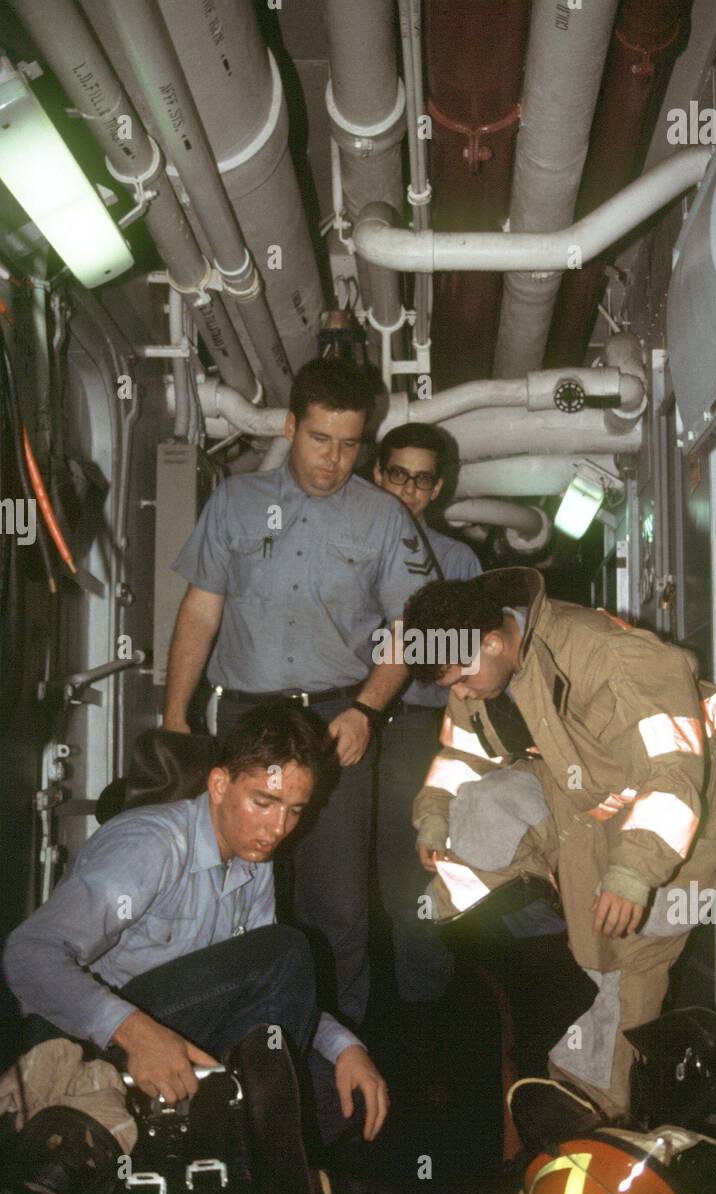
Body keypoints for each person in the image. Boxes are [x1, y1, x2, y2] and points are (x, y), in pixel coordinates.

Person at [163, 359, 436, 1027]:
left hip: (337, 718)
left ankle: (335, 1054)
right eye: (320, 440)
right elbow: (200, 610)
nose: (334, 460)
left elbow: (412, 631)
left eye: (350, 445)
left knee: (339, 908)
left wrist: (369, 710)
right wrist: (175, 716)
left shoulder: (384, 520)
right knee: (228, 895)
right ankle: (238, 1051)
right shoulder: (233, 502)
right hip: (245, 719)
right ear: (291, 426)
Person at [403, 567, 716, 1119]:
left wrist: (632, 875)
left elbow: (674, 778)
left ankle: (609, 1113)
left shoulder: (610, 656)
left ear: (493, 641)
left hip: (668, 830)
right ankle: (559, 986)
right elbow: (462, 756)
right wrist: (435, 818)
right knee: (583, 946)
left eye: (459, 679)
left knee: (629, 967)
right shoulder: (487, 670)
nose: (457, 694)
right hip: (579, 817)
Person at [3, 705, 389, 1141]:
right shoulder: (151, 846)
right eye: (264, 802)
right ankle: (238, 1162)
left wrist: (346, 1046)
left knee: (345, 1095)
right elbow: (28, 953)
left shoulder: (254, 858)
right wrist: (132, 1031)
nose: (279, 827)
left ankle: (200, 1150)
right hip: (103, 1040)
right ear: (220, 784)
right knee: (286, 950)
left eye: (295, 810)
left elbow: (279, 991)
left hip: (180, 1026)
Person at [372, 424, 481, 1003]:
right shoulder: (349, 546)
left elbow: (465, 661)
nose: (407, 491)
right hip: (346, 726)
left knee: (415, 876)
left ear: (436, 488)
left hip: (418, 734)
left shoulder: (458, 561)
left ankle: (422, 1014)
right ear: (377, 475)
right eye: (397, 476)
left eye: (421, 480)